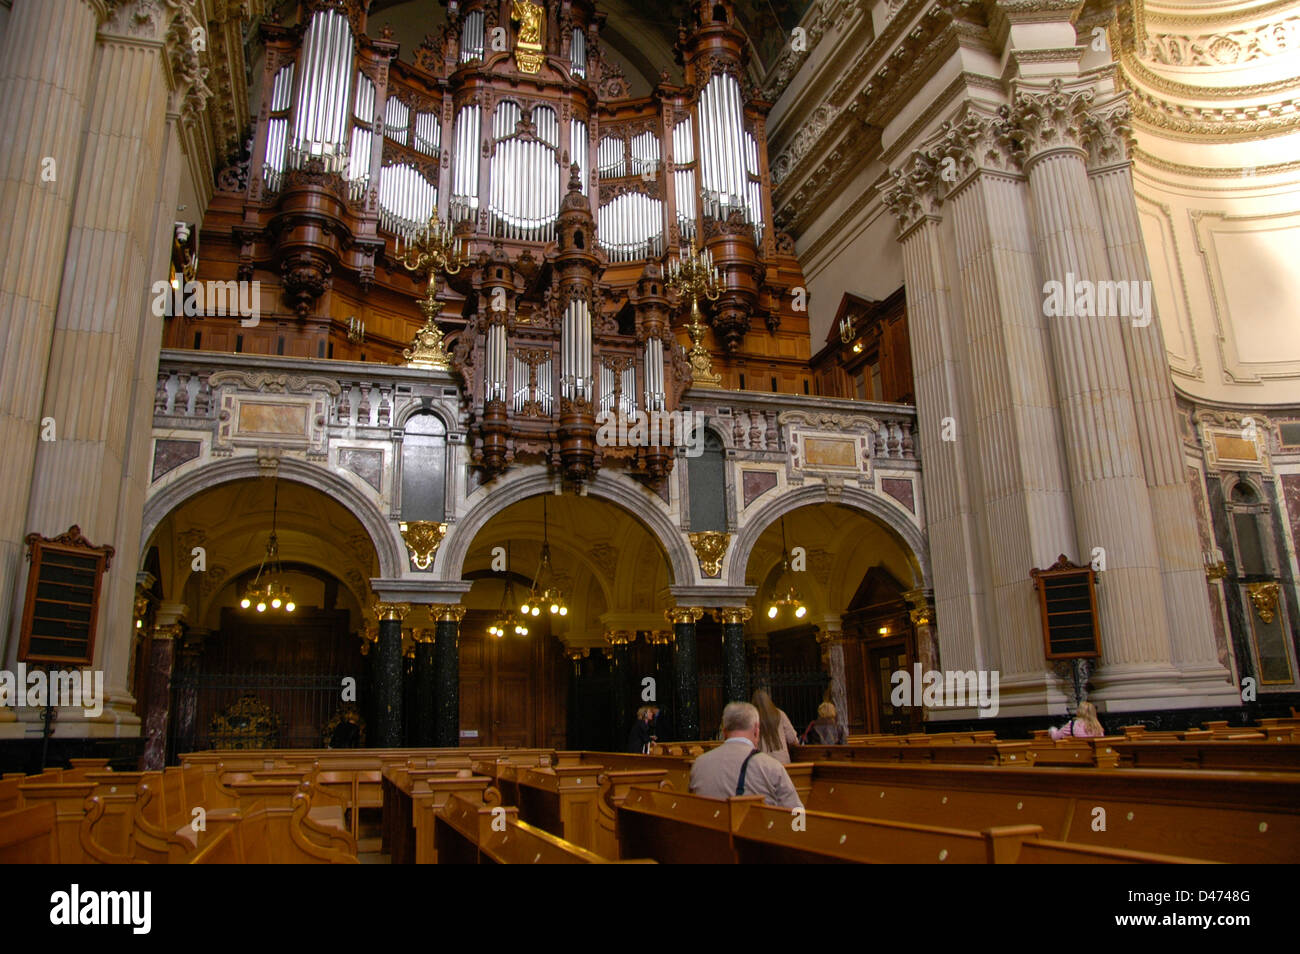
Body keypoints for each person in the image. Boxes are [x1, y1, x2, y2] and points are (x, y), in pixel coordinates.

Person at [689, 702, 802, 809]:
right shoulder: (771, 767)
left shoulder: (699, 764)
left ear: (724, 732)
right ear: (757, 731)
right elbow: (796, 813)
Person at [751, 689, 799, 764]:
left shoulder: (752, 718)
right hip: (782, 761)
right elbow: (792, 739)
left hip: (762, 762)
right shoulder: (780, 714)